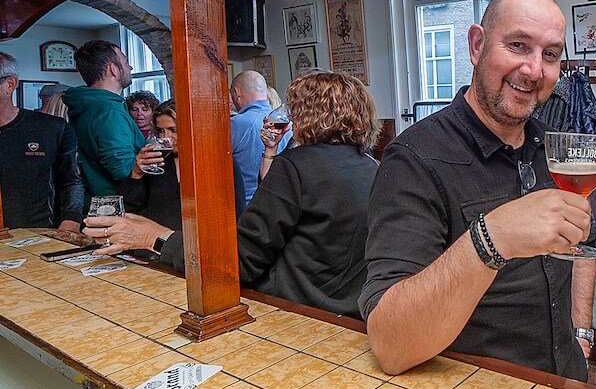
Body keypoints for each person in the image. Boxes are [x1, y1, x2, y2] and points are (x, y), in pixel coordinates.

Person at [359, 0, 595, 380]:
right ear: (476, 45)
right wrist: (491, 239)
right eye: (518, 45)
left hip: (564, 383)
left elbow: (583, 240)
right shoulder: (414, 159)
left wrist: (582, 335)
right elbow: (390, 344)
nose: (535, 70)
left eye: (549, 54)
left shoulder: (552, 145)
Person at [85, 70, 380, 319]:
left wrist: (156, 237)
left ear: (306, 116)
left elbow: (239, 263)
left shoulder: (297, 166)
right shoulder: (371, 165)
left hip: (295, 311)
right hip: (352, 311)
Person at [0, 52, 84, 231]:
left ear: (10, 84)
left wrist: (71, 220)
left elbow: (71, 181)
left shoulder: (51, 128)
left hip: (34, 235)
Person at [62, 40, 144, 203]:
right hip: (118, 207)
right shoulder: (110, 112)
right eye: (126, 62)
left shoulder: (88, 103)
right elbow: (123, 170)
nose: (130, 68)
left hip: (92, 202)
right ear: (113, 69)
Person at [118, 99, 182, 231]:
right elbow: (127, 209)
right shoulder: (159, 162)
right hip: (158, 245)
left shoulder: (208, 163)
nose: (166, 138)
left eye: (173, 130)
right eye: (161, 131)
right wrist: (136, 173)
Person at [229, 70, 290, 203]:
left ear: (236, 93)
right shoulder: (288, 124)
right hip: (281, 205)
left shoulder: (235, 125)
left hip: (247, 208)